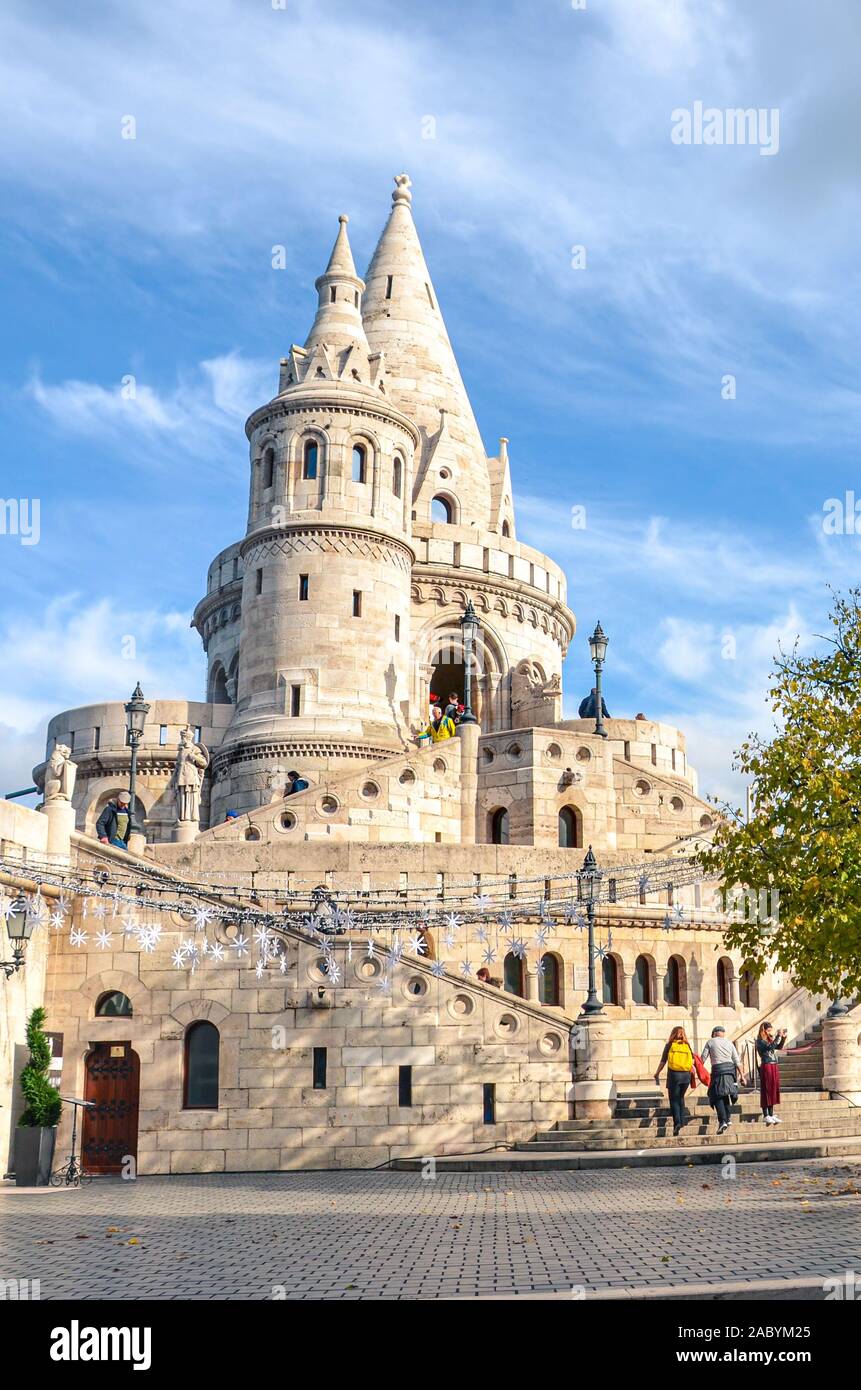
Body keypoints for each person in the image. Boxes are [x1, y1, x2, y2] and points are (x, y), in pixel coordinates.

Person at [700, 1026, 744, 1135]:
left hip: (718, 1071)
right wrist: (742, 1076)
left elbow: (702, 1058)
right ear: (723, 1033)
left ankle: (722, 1121)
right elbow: (737, 1060)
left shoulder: (710, 1042)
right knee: (725, 1095)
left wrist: (695, 1068)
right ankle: (728, 1119)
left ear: (714, 1033)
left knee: (716, 1096)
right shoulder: (729, 1043)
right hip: (730, 1072)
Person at [654, 1026, 695, 1136]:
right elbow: (693, 1061)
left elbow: (663, 1061)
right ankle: (682, 1121)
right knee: (681, 1098)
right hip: (686, 1076)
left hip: (674, 1076)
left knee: (674, 1100)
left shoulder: (669, 1045)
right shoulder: (687, 1045)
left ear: (673, 1034)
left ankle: (677, 1123)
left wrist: (657, 1073)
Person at [757, 1021, 788, 1124]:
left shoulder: (769, 1039)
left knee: (773, 1090)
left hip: (773, 1065)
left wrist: (783, 1037)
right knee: (766, 1090)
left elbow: (778, 1047)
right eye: (768, 1030)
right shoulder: (760, 1041)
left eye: (771, 1030)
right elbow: (770, 1047)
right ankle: (765, 1115)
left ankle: (771, 1114)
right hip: (766, 1065)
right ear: (764, 1030)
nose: (770, 1032)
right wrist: (778, 1036)